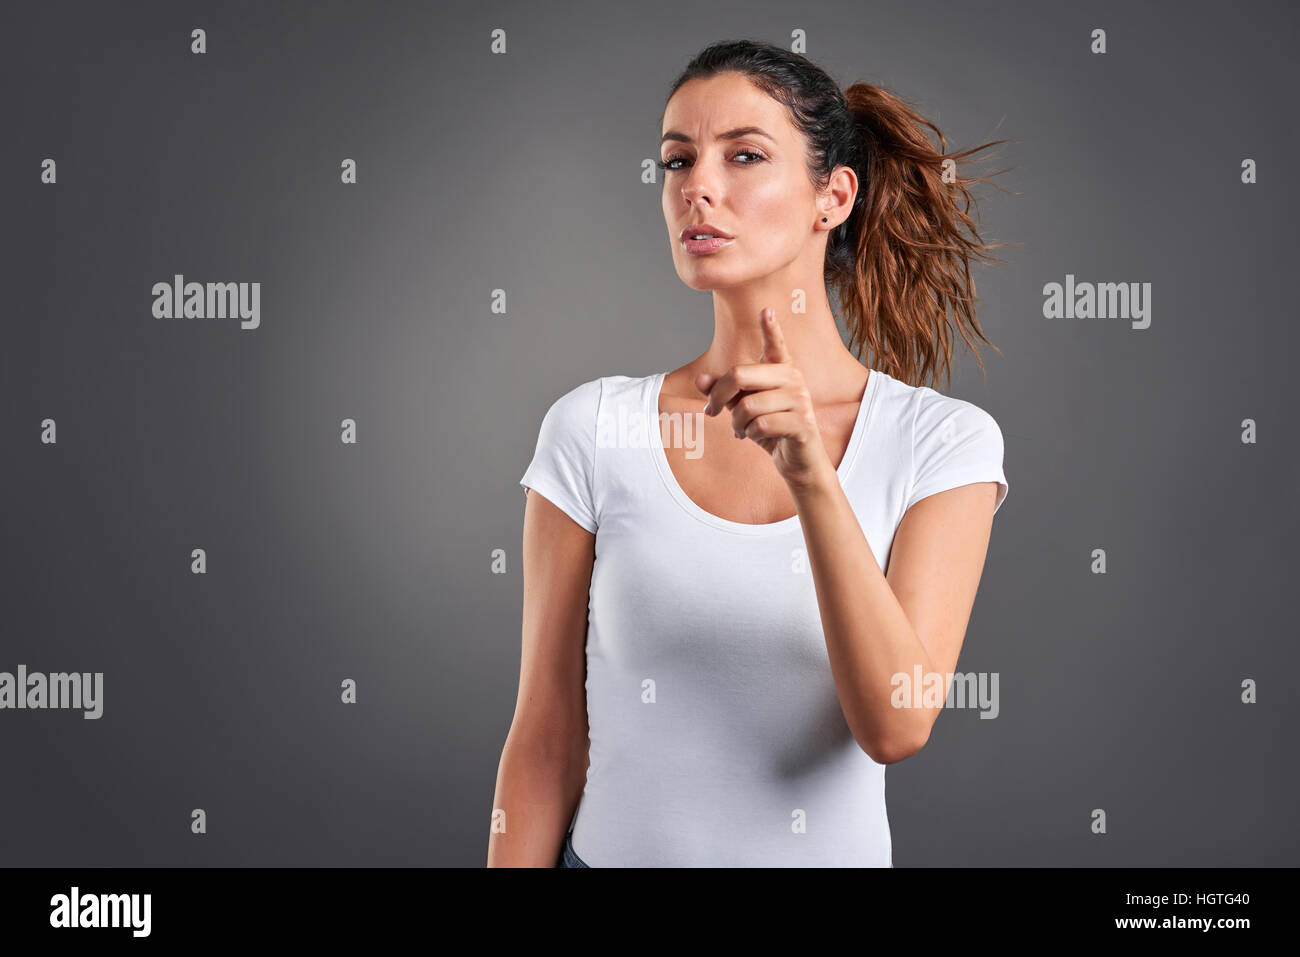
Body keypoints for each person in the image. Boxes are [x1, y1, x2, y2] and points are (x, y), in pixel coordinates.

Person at [488, 39, 1011, 867]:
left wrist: (812, 476)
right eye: (677, 159)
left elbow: (896, 723)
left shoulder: (941, 441)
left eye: (745, 155)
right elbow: (546, 737)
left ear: (831, 196)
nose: (698, 185)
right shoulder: (592, 427)